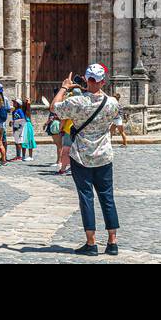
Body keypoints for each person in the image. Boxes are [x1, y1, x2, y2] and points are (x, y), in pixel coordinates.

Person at [52, 65, 125, 256]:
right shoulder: (111, 103)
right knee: (107, 197)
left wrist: (64, 87)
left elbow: (54, 108)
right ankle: (112, 242)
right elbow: (116, 119)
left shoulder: (76, 102)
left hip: (81, 157)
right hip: (103, 156)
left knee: (86, 198)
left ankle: (91, 243)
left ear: (86, 79)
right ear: (103, 81)